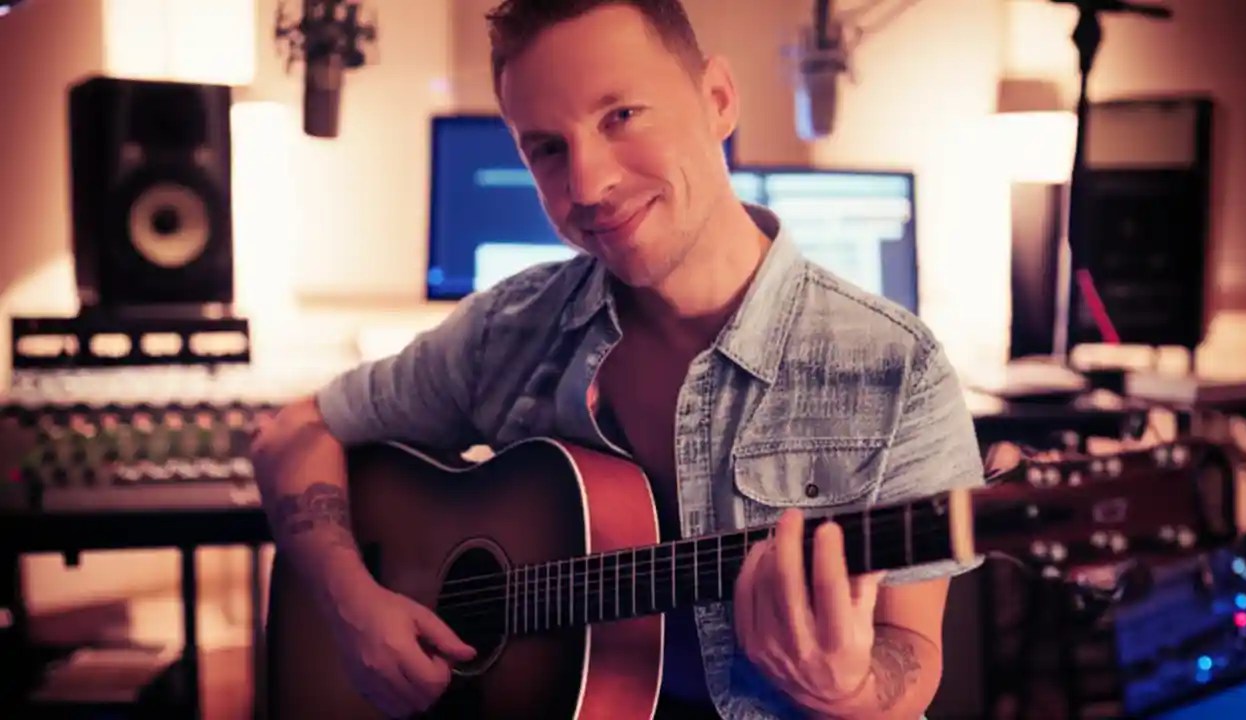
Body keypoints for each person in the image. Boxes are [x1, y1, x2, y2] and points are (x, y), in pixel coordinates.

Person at [250, 0, 987, 718]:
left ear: (718, 99)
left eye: (621, 116)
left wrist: (848, 689)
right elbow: (293, 436)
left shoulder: (898, 369)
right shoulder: (507, 331)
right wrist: (351, 604)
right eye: (546, 147)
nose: (588, 184)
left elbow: (911, 655)